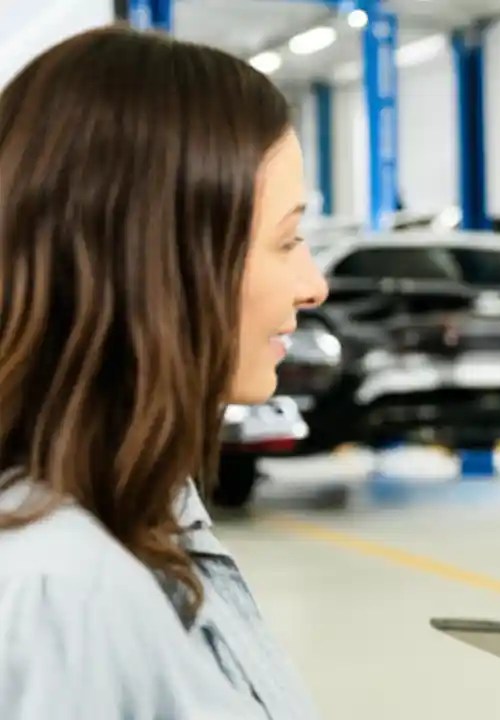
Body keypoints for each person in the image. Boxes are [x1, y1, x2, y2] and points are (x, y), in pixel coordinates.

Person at [0, 26, 328, 719]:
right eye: (287, 240)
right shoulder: (63, 590)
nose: (312, 284)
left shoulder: (150, 512)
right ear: (162, 266)